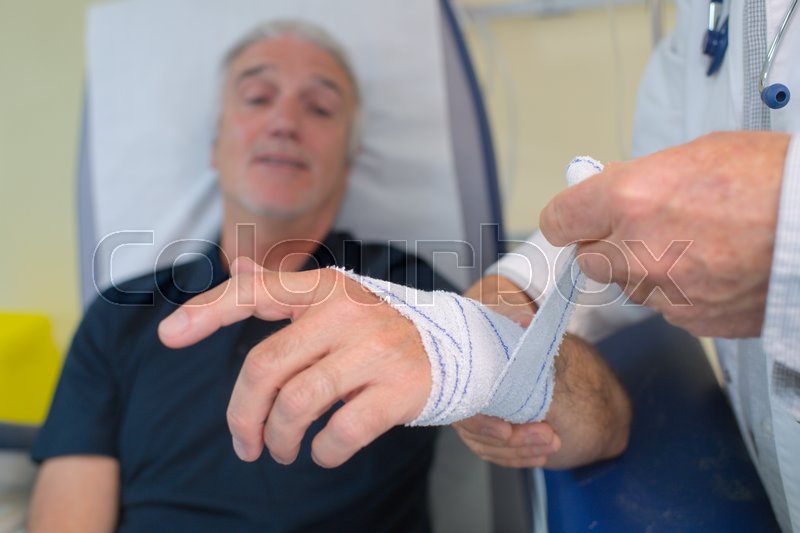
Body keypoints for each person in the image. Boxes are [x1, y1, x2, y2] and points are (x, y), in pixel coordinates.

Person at [28, 20, 453, 532]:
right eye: (257, 98)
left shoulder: (403, 292)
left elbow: (511, 368)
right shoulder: (121, 314)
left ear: (348, 159)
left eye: (319, 108)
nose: (284, 122)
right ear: (215, 144)